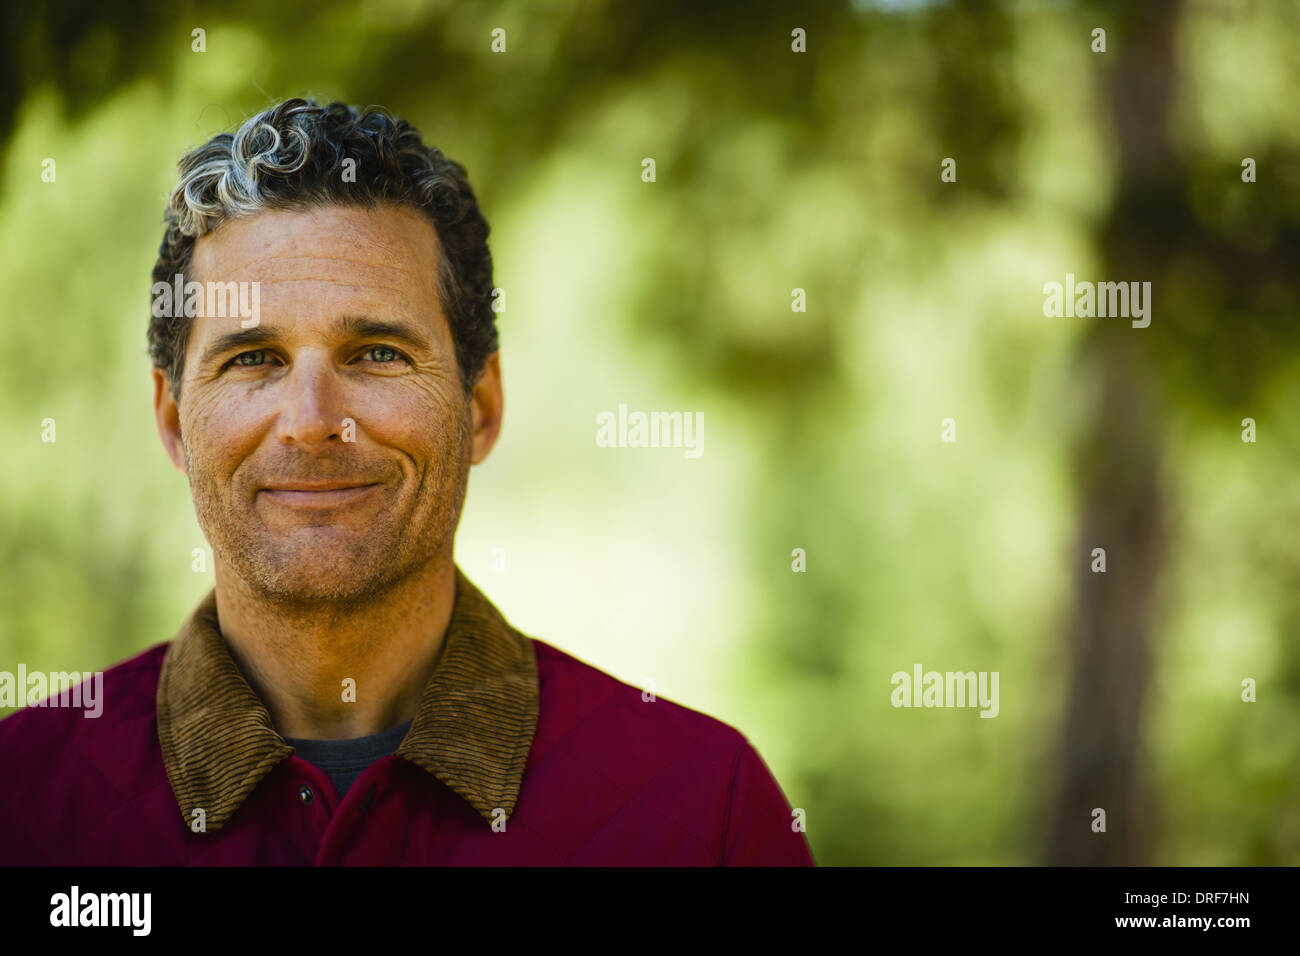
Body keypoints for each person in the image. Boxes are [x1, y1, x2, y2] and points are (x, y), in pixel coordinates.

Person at [0, 98, 814, 866]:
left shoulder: (700, 811)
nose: (313, 420)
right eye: (254, 359)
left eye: (378, 354)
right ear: (175, 419)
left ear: (482, 407)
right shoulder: (24, 801)